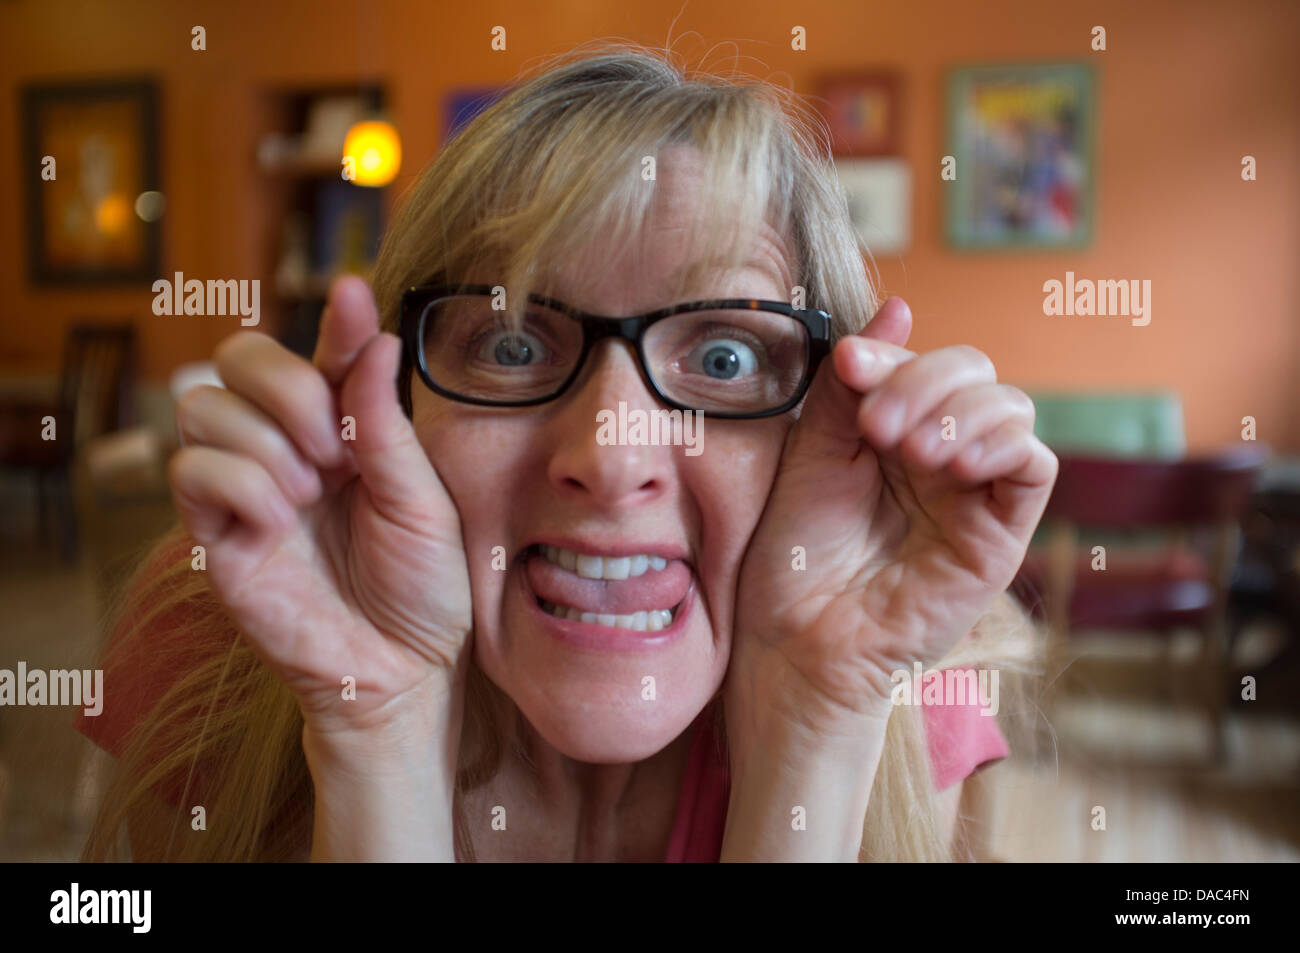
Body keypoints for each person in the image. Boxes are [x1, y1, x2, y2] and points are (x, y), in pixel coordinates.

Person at [79, 42, 1055, 862]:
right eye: (511, 345)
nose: (610, 456)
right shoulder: (225, 644)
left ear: (834, 424)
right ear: (396, 396)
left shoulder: (904, 677)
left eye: (723, 357)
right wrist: (375, 730)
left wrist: (816, 720)